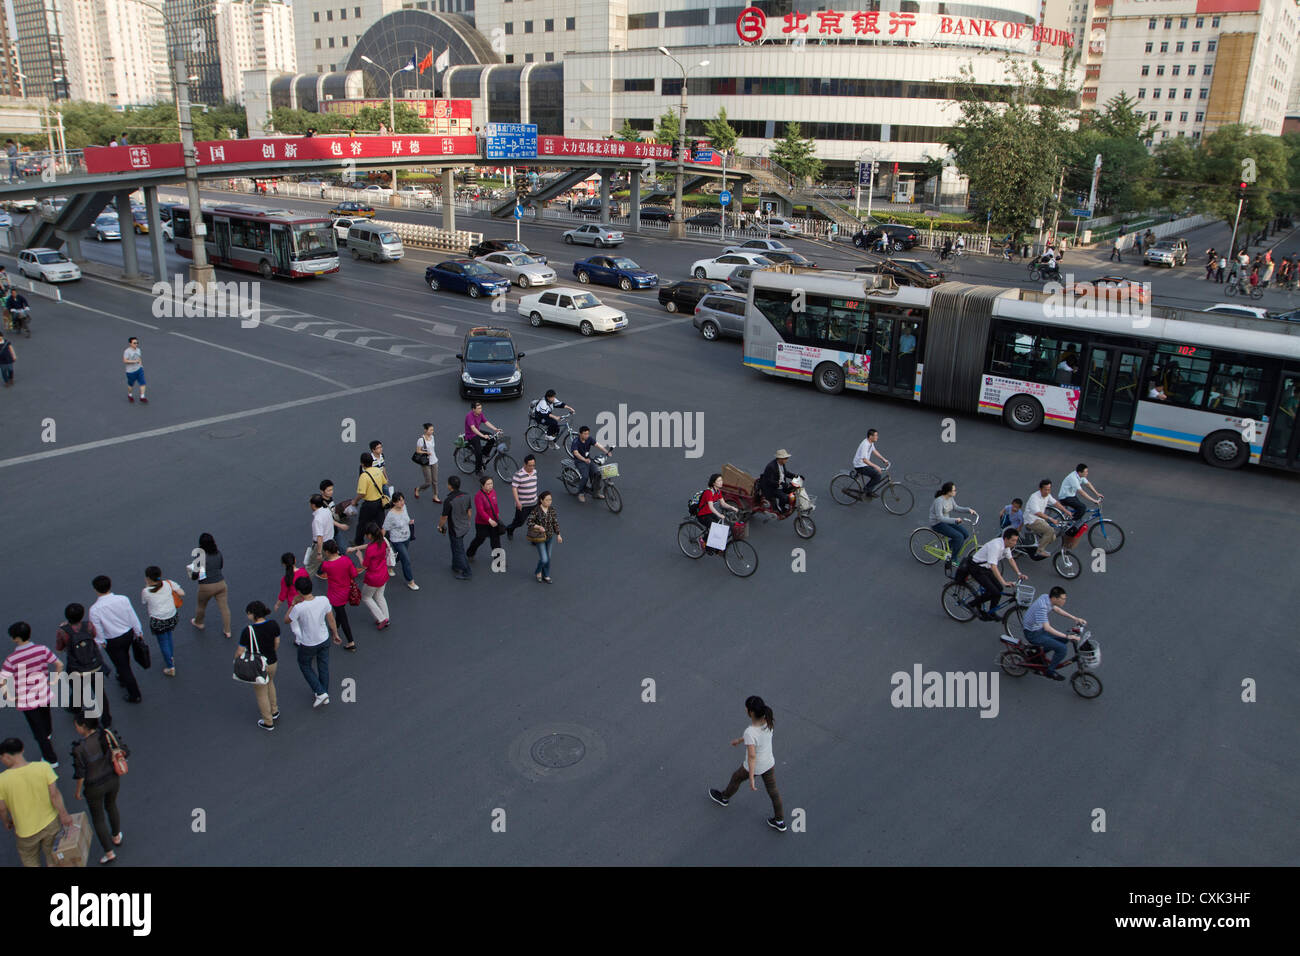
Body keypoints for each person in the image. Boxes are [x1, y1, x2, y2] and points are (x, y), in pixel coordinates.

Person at [708, 695, 786, 832]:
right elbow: (754, 739)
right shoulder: (768, 720)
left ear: (751, 712)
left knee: (736, 778)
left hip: (755, 766)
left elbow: (751, 756)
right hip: (769, 763)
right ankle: (780, 821)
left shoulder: (750, 732)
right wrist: (739, 741)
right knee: (773, 792)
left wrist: (751, 777)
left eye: (746, 708)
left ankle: (724, 798)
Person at [0, 737, 73, 867]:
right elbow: (54, 795)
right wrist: (64, 814)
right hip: (50, 822)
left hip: (25, 830)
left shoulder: (2, 780)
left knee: (29, 858)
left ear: (6, 756)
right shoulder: (43, 768)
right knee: (53, 856)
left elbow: (2, 808)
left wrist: (6, 821)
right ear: (22, 749)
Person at [2, 623, 64, 765]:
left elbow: (2, 680)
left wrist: (9, 696)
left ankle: (51, 759)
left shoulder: (12, 659)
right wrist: (53, 681)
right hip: (44, 693)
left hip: (27, 700)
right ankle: (48, 733)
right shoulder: (42, 649)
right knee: (46, 717)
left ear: (16, 639)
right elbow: (59, 664)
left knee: (38, 730)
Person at [70, 716, 127, 862]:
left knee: (98, 818)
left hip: (93, 787)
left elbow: (80, 774)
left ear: (83, 726)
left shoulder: (79, 748)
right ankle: (116, 836)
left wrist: (77, 792)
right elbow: (123, 749)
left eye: (76, 725)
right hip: (112, 779)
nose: (75, 728)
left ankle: (109, 853)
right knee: (111, 805)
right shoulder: (106, 734)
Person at [285, 577, 342, 708]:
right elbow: (331, 619)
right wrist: (335, 634)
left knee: (304, 664)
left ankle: (321, 692)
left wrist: (293, 603)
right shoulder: (324, 600)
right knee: (323, 665)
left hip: (308, 642)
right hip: (324, 638)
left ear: (299, 591)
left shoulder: (299, 607)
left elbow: (287, 620)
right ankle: (324, 693)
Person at [88, 576, 144, 703]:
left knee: (123, 665)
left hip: (112, 640)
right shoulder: (123, 599)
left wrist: (100, 642)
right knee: (124, 657)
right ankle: (121, 676)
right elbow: (132, 616)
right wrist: (138, 631)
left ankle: (134, 694)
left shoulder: (94, 609)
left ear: (96, 590)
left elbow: (98, 629)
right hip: (128, 634)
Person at [55, 604, 111, 729]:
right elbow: (94, 636)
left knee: (77, 690)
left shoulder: (63, 631)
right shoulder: (89, 626)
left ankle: (77, 711)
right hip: (94, 664)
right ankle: (106, 719)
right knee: (100, 693)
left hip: (76, 669)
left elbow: (59, 648)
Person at [1022, 586, 1086, 681]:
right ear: (1055, 598)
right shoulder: (1042, 607)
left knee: (1064, 640)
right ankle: (1050, 671)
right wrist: (1067, 636)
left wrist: (1075, 618)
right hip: (1033, 634)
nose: (1064, 601)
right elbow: (1047, 628)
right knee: (1062, 648)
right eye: (1063, 599)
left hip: (1039, 629)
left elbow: (1057, 609)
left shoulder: (1045, 597)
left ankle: (1038, 655)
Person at [237, 601, 281, 730]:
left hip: (258, 665)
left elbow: (240, 651)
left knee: (261, 693)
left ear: (253, 614)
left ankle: (268, 721)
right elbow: (277, 642)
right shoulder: (273, 624)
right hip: (272, 661)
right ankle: (274, 710)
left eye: (248, 613)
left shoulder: (248, 631)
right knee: (270, 683)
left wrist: (236, 661)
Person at [966, 527, 1027, 620]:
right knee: (994, 592)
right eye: (1013, 540)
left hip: (986, 568)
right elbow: (994, 566)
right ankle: (971, 604)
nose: (1015, 543)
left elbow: (1010, 559)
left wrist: (1019, 573)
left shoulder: (1006, 546)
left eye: (1016, 541)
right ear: (1006, 539)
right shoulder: (996, 546)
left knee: (999, 589)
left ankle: (991, 612)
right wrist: (1004, 582)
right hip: (977, 568)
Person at [316, 541, 358, 651]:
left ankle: (351, 641)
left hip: (335, 595)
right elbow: (354, 574)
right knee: (340, 611)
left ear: (327, 552)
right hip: (346, 592)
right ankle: (336, 625)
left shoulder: (326, 564)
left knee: (342, 616)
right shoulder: (346, 560)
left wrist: (322, 561)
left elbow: (319, 571)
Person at [140, 566, 182, 677]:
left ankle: (170, 666)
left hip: (158, 620)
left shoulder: (146, 591)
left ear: (148, 578)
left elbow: (144, 602)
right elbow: (181, 593)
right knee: (169, 637)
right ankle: (171, 656)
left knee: (163, 642)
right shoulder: (168, 583)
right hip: (172, 616)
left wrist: (147, 587)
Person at [348, 523, 391, 628]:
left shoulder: (371, 549)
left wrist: (359, 555)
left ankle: (381, 618)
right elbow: (369, 545)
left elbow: (364, 566)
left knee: (366, 597)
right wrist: (355, 548)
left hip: (373, 578)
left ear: (370, 535)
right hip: (383, 574)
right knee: (380, 596)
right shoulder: (383, 541)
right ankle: (386, 617)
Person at [190, 533, 231, 639]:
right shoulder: (218, 553)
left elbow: (195, 574)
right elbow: (221, 566)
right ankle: (227, 630)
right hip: (221, 584)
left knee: (201, 606)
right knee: (224, 608)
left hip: (206, 586)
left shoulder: (200, 556)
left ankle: (199, 622)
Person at [350, 452, 389, 547]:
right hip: (380, 502)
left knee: (362, 523)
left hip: (369, 504)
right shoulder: (377, 470)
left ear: (362, 464)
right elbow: (384, 482)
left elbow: (362, 493)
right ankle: (386, 539)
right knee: (381, 522)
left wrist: (355, 501)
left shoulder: (364, 476)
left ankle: (358, 542)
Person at [929, 482, 975, 562]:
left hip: (947, 521)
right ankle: (953, 559)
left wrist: (968, 510)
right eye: (954, 490)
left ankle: (948, 546)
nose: (955, 491)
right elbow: (939, 518)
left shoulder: (950, 498)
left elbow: (956, 507)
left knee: (965, 534)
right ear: (949, 492)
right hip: (938, 524)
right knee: (959, 537)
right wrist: (954, 520)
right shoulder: (939, 501)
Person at [438, 475, 473, 580]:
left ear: (450, 486)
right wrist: (467, 521)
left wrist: (440, 526)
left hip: (455, 529)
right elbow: (469, 512)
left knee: (459, 551)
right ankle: (456, 565)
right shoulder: (467, 496)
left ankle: (467, 572)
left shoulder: (449, 500)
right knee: (456, 547)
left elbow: (444, 517)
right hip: (465, 526)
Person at [383, 492, 418, 591]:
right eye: (399, 501)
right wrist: (380, 541)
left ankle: (389, 566)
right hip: (397, 540)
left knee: (399, 555)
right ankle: (410, 581)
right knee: (406, 560)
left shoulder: (404, 507)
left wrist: (409, 522)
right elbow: (385, 528)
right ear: (394, 503)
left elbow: (405, 518)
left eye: (402, 500)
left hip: (406, 537)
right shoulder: (390, 515)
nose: (402, 502)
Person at [527, 490, 562, 583]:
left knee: (548, 558)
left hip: (550, 537)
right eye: (547, 500)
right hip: (540, 538)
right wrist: (538, 527)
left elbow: (555, 523)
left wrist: (558, 534)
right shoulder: (536, 510)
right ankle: (538, 571)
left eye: (550, 500)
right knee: (544, 558)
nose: (549, 502)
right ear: (541, 500)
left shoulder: (552, 510)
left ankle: (546, 575)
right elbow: (529, 522)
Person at [569, 426, 611, 503]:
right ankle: (581, 493)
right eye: (585, 434)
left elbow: (598, 445)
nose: (587, 435)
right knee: (585, 477)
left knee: (598, 474)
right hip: (580, 461)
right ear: (580, 434)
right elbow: (576, 453)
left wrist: (606, 451)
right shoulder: (576, 441)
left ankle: (596, 492)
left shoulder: (589, 439)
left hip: (588, 460)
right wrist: (584, 459)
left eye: (588, 434)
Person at [466, 476, 502, 560]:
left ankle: (498, 559)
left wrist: (497, 514)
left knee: (496, 541)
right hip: (482, 523)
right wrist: (489, 520)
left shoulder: (493, 492)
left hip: (494, 521)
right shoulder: (478, 496)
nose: (490, 485)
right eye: (488, 484)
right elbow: (480, 511)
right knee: (480, 539)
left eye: (491, 483)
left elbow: (495, 505)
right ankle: (470, 553)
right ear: (482, 486)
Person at [1023, 478, 1061, 561]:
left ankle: (1039, 542)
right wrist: (1051, 519)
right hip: (1031, 520)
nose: (1047, 491)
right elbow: (1037, 513)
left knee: (1053, 538)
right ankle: (1040, 550)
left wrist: (1066, 511)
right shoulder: (1034, 497)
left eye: (1049, 489)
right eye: (1045, 489)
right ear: (1040, 489)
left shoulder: (1047, 495)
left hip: (1040, 520)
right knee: (1050, 531)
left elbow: (1055, 503)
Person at [506, 454, 540, 540]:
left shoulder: (535, 472)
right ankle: (510, 529)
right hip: (523, 505)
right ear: (525, 464)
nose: (532, 467)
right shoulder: (518, 475)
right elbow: (514, 488)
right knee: (519, 522)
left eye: (533, 465)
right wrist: (517, 502)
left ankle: (533, 537)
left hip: (534, 503)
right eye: (530, 465)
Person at [464, 401, 502, 475]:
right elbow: (473, 428)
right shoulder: (469, 416)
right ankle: (478, 470)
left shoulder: (480, 414)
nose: (480, 410)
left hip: (477, 432)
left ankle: (484, 455)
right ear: (473, 409)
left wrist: (495, 429)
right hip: (471, 435)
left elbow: (486, 422)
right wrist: (483, 436)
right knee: (478, 453)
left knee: (492, 438)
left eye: (481, 408)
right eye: (478, 408)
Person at [758, 449, 798, 516]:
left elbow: (785, 473)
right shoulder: (771, 467)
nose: (787, 459)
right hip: (771, 488)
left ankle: (783, 506)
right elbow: (768, 481)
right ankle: (779, 508)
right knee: (784, 497)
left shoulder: (782, 464)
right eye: (785, 458)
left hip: (780, 485)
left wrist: (796, 476)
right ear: (780, 458)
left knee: (791, 491)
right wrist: (779, 483)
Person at [852, 429, 890, 496]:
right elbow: (865, 460)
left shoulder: (870, 442)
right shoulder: (865, 445)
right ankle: (866, 491)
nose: (877, 437)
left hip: (864, 464)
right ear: (870, 436)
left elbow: (874, 450)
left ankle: (868, 491)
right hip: (860, 466)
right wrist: (877, 467)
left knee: (877, 474)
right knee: (877, 476)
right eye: (875, 435)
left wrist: (884, 459)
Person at [272, 552, 309, 617]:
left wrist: (277, 605)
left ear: (284, 564)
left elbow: (283, 595)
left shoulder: (285, 579)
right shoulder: (303, 571)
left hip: (293, 604)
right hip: (305, 600)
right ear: (295, 560)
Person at [413, 423, 440, 503]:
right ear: (425, 430)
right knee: (428, 482)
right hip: (426, 462)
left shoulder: (432, 437)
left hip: (434, 461)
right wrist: (426, 453)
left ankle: (435, 495)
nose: (432, 431)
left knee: (435, 481)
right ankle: (418, 489)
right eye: (430, 430)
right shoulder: (421, 440)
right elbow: (418, 451)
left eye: (432, 430)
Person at [123, 336, 147, 403]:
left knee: (143, 383)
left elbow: (139, 358)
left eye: (137, 343)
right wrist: (134, 361)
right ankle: (130, 394)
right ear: (130, 343)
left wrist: (141, 366)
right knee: (131, 385)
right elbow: (125, 361)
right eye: (134, 343)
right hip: (130, 371)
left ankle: (142, 397)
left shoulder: (138, 350)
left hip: (139, 369)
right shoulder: (127, 351)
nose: (136, 344)